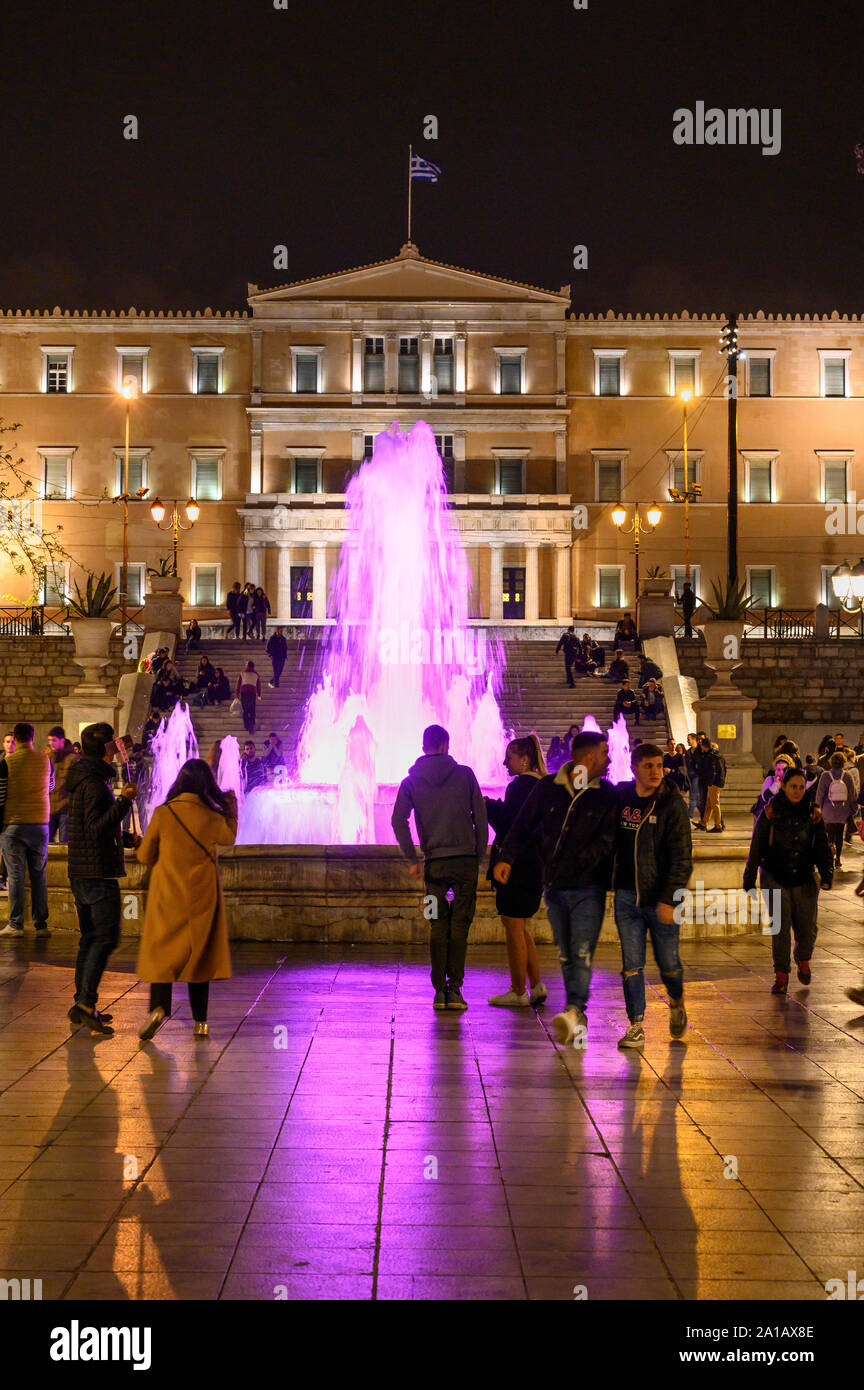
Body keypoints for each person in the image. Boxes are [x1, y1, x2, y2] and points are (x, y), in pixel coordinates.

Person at [494, 730, 619, 1047]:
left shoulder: (607, 794)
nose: (609, 759)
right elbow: (522, 825)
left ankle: (575, 1012)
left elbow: (610, 840)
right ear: (589, 757)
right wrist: (506, 858)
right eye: (604, 753)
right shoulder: (547, 789)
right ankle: (562, 1002)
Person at [137, 758, 238, 1040]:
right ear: (206, 786)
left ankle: (158, 1008)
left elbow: (145, 856)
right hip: (201, 895)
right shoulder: (211, 815)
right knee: (200, 956)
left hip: (167, 894)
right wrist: (231, 807)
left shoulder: (163, 813)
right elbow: (229, 838)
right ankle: (201, 1022)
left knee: (163, 951)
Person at [391, 723, 488, 1012]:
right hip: (464, 864)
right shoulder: (465, 775)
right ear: (446, 745)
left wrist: (412, 858)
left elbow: (398, 820)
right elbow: (480, 817)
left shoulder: (411, 782)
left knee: (436, 923)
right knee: (460, 924)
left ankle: (438, 992)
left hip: (434, 868)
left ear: (423, 747)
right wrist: (478, 855)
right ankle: (454, 989)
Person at [613, 742, 693, 1049]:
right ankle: (636, 1025)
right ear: (634, 768)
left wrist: (670, 899)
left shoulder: (672, 805)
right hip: (626, 896)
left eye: (659, 766)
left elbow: (682, 857)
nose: (655, 772)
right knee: (631, 963)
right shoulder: (621, 797)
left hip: (661, 899)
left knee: (669, 963)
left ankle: (676, 1001)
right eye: (648, 766)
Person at [66, 722, 138, 1035]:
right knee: (106, 937)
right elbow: (97, 828)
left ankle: (82, 1001)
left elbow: (90, 828)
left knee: (90, 939)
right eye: (112, 744)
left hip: (83, 871)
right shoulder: (95, 783)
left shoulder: (87, 778)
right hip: (96, 873)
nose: (116, 749)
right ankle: (85, 1003)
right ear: (105, 748)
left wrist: (125, 840)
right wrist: (124, 801)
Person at [744, 766, 833, 995]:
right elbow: (757, 845)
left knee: (807, 927)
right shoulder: (771, 811)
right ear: (783, 786)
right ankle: (781, 975)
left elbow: (822, 846)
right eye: (793, 786)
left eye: (801, 787)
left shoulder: (813, 813)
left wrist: (826, 874)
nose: (797, 791)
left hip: (804, 877)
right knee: (780, 926)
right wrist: (749, 875)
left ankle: (803, 959)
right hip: (775, 875)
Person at [484, 735, 547, 1008]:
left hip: (516, 867)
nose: (504, 762)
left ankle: (518, 990)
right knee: (521, 925)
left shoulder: (520, 786)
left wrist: (487, 806)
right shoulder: (542, 785)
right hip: (534, 865)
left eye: (509, 757)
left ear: (524, 759)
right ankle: (536, 985)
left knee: (513, 926)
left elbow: (510, 826)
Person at [0, 722, 54, 937]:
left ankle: (16, 924)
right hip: (41, 823)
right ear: (32, 737)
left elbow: (1, 795)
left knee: (15, 876)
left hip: (14, 824)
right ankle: (41, 925)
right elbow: (50, 786)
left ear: (17, 738)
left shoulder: (7, 762)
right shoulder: (45, 760)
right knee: (39, 875)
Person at [815, 752, 856, 868]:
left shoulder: (825, 775)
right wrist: (853, 811)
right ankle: (838, 858)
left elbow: (820, 795)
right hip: (843, 811)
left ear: (831, 762)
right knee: (839, 835)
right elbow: (853, 795)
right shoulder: (847, 776)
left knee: (829, 835)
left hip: (828, 812)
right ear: (844, 762)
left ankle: (829, 858)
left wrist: (818, 809)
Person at [47, 725, 78, 844]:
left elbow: (75, 787)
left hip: (66, 809)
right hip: (50, 809)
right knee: (47, 844)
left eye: (54, 740)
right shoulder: (48, 758)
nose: (51, 743)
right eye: (49, 740)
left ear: (62, 740)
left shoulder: (73, 759)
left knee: (64, 844)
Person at [693, 734, 724, 832]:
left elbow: (712, 771)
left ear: (703, 746)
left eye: (701, 745)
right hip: (718, 781)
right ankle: (703, 823)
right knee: (709, 804)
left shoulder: (710, 756)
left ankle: (718, 826)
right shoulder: (717, 754)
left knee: (715, 804)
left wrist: (710, 782)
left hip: (714, 782)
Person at [0, 731, 12, 892]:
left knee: (7, 848)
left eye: (12, 741)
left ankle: (5, 876)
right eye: (7, 741)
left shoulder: (17, 762)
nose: (10, 744)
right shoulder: (2, 761)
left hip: (11, 811)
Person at [235, 660, 261, 733]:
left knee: (245, 710)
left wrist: (237, 694)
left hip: (244, 693)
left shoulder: (242, 673)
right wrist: (259, 694)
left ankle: (247, 725)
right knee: (252, 710)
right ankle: (252, 724)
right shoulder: (256, 674)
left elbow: (238, 684)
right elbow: (258, 685)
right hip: (252, 693)